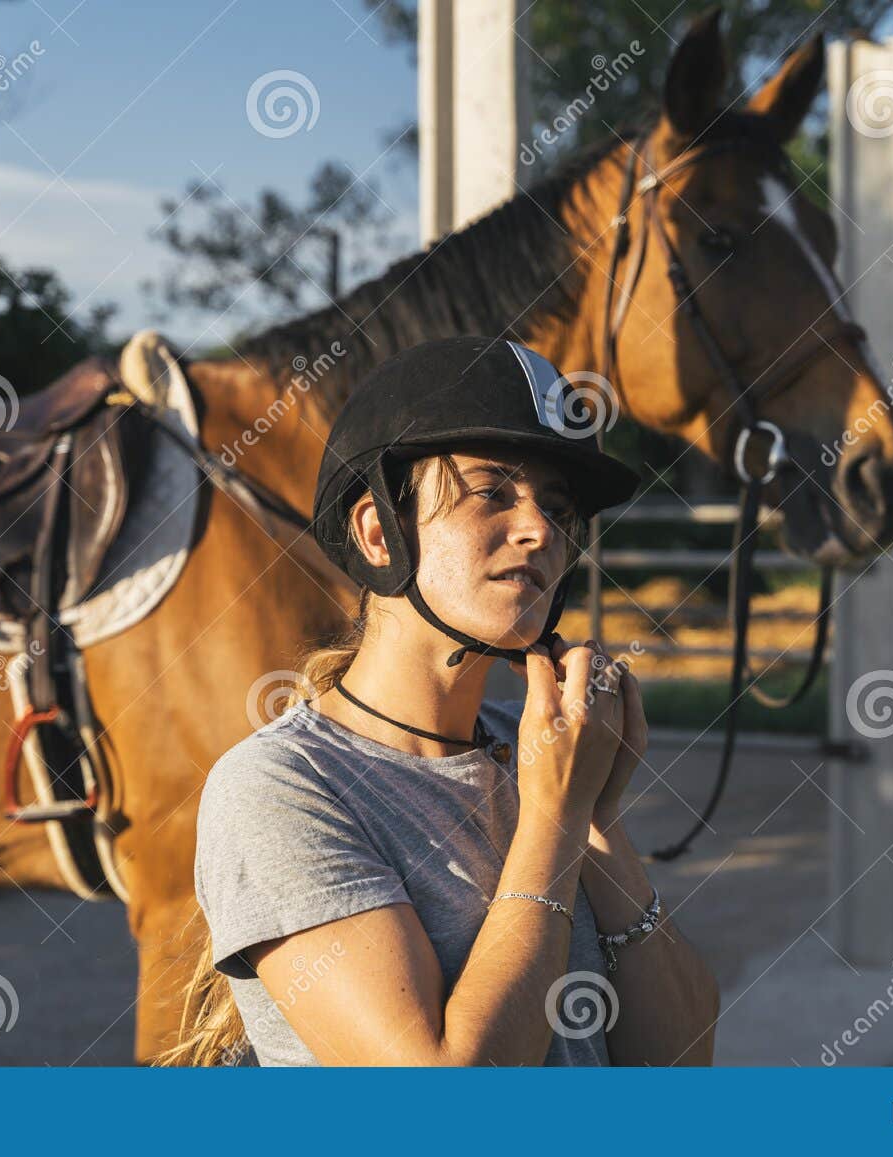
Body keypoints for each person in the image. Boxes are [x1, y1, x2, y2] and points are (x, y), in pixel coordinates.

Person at [162, 336, 720, 1066]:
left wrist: (599, 816)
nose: (540, 530)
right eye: (493, 491)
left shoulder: (539, 750)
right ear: (377, 530)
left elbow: (680, 1064)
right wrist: (553, 816)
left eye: (558, 507)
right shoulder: (279, 790)